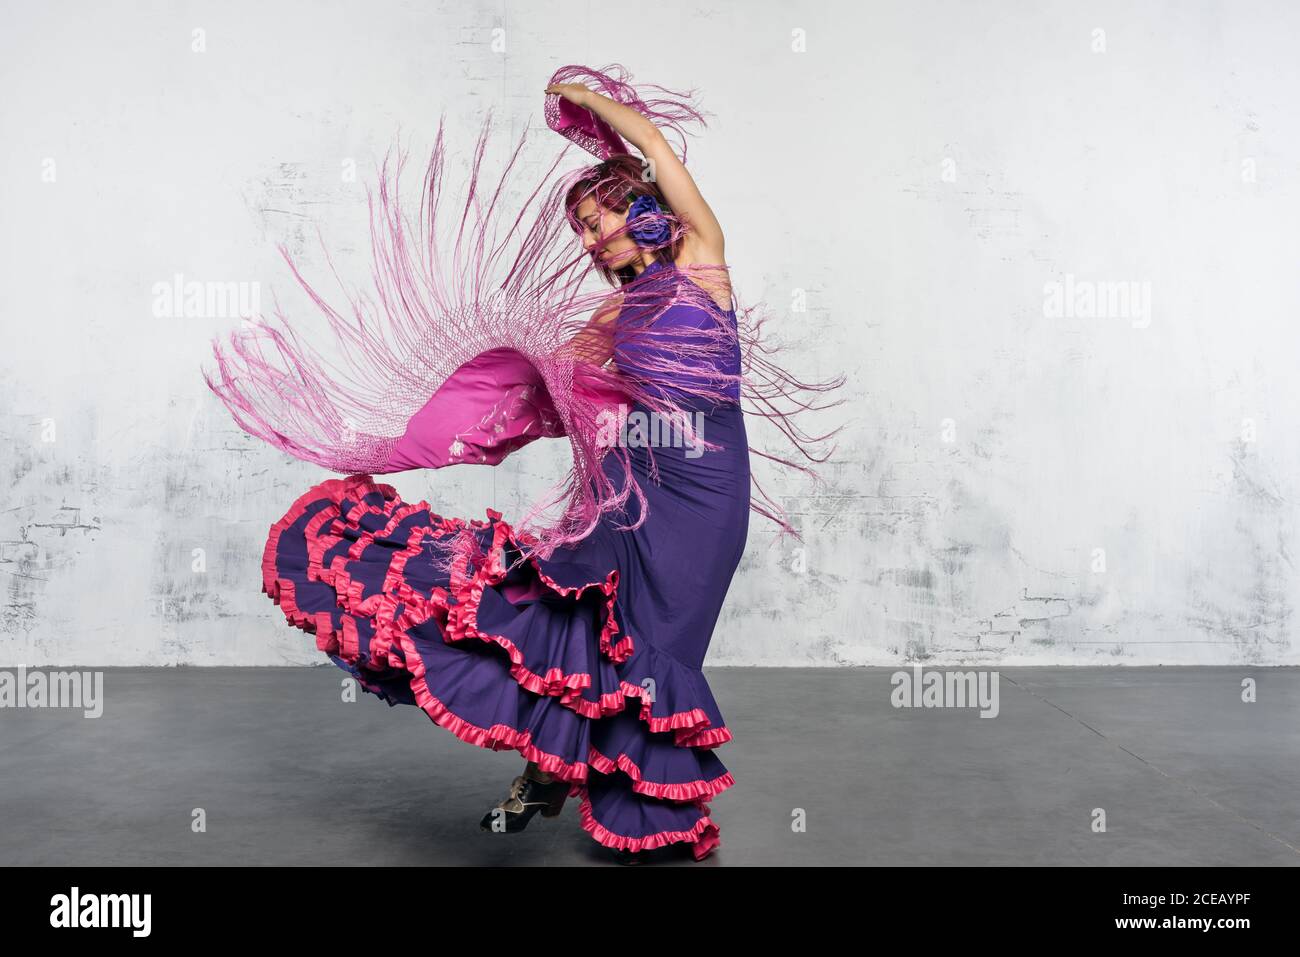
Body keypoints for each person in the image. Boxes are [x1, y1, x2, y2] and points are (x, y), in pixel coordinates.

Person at [204, 64, 845, 864]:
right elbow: (548, 390)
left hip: (706, 497)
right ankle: (545, 773)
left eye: (599, 213)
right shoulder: (614, 314)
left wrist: (585, 102)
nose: (590, 235)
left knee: (662, 651)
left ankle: (581, 782)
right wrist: (439, 434)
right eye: (580, 226)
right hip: (635, 496)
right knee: (591, 634)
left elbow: (651, 143)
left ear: (638, 207)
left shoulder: (704, 265)